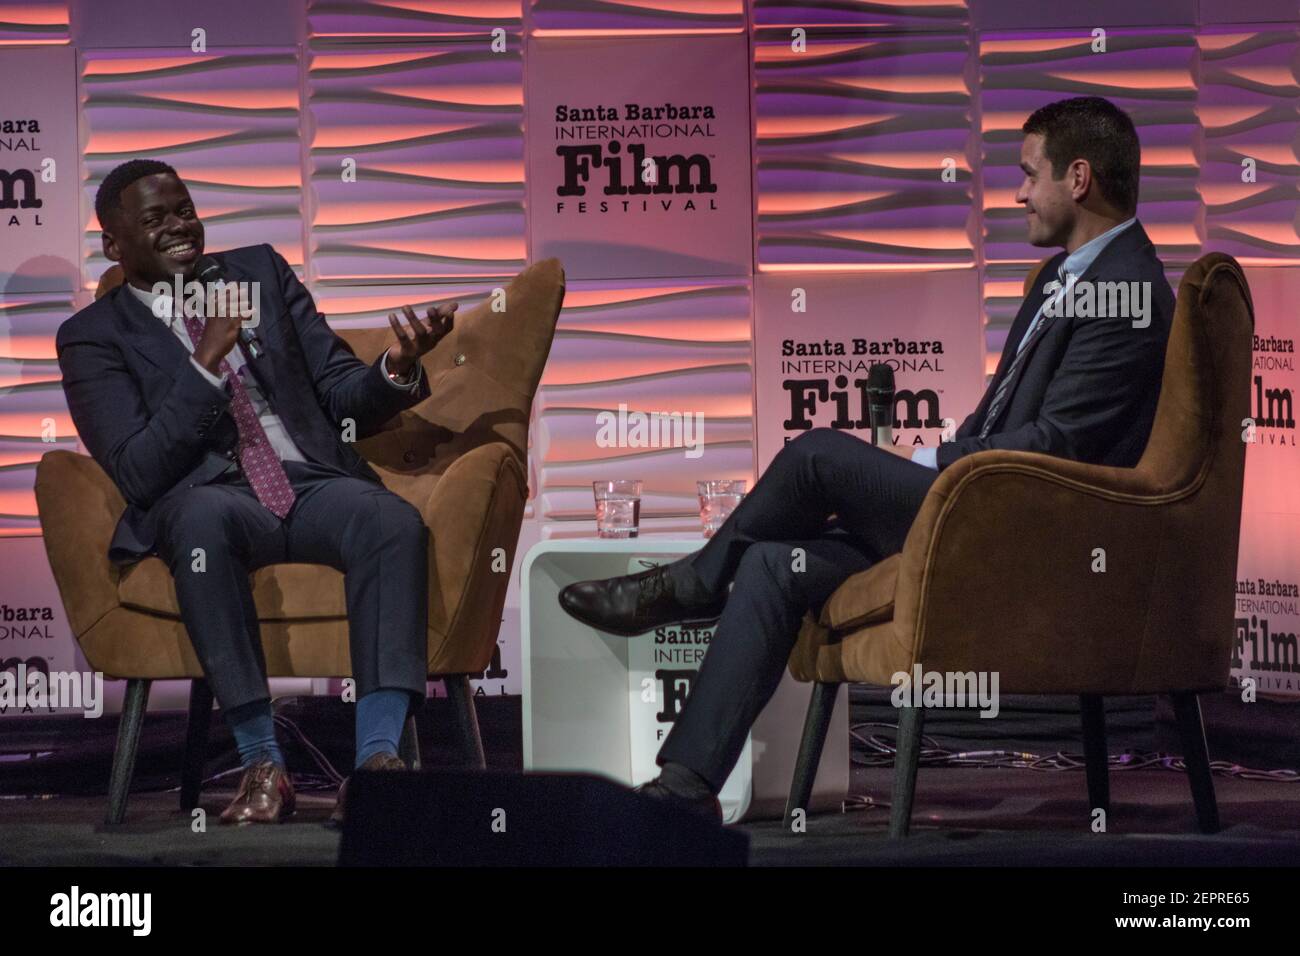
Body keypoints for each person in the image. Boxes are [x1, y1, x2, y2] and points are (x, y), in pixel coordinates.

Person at [559, 96, 1176, 820]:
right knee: (770, 563)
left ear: (1078, 178)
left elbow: (1056, 448)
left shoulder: (1126, 293)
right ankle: (685, 792)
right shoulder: (1060, 278)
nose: (1016, 194)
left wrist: (933, 458)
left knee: (818, 456)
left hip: (1023, 529)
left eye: (1027, 174)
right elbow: (1003, 417)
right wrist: (937, 460)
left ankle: (692, 585)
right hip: (977, 503)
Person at [57, 159, 458, 826]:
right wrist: (204, 362)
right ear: (114, 247)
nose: (180, 226)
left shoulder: (260, 273)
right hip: (210, 494)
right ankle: (261, 764)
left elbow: (336, 391)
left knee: (391, 522)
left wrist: (398, 367)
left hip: (310, 481)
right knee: (198, 523)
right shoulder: (93, 338)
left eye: (184, 210)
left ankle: (378, 764)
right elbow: (138, 469)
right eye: (155, 220)